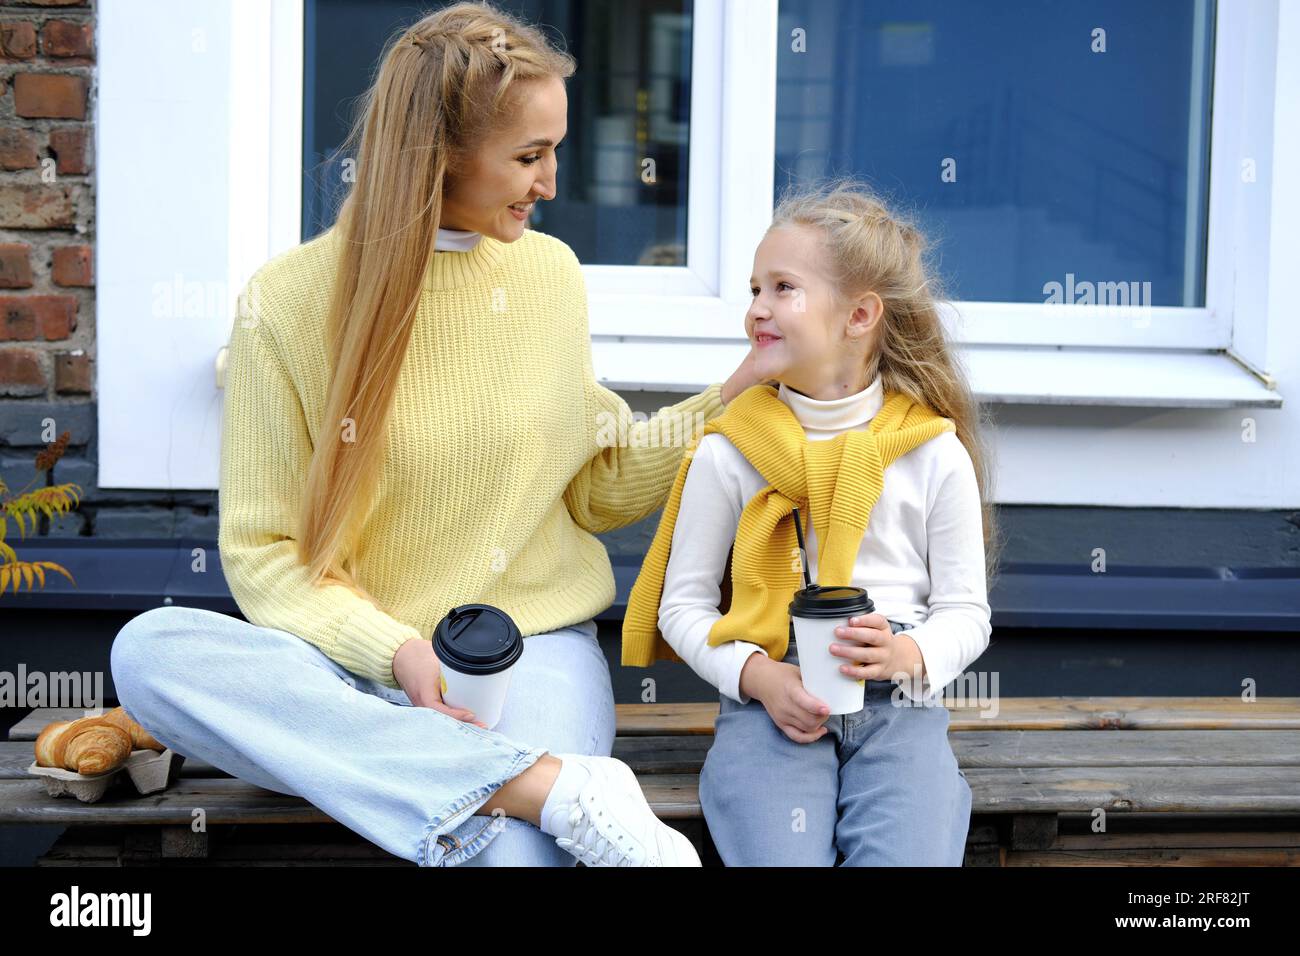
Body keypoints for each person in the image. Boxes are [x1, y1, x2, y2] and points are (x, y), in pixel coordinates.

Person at [109, 1, 762, 868]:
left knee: (515, 860)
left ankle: (442, 775)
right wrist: (399, 653)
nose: (551, 183)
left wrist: (734, 396)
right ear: (439, 158)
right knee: (148, 653)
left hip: (525, 652)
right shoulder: (289, 303)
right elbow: (266, 556)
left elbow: (594, 487)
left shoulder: (548, 277)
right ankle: (550, 789)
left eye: (554, 152)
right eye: (529, 157)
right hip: (346, 667)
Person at [622, 177, 1004, 865]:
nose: (757, 310)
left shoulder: (931, 451)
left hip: (898, 704)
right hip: (772, 698)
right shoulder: (729, 450)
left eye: (782, 289)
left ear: (860, 316)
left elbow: (966, 612)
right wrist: (760, 680)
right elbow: (683, 607)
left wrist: (909, 654)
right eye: (753, 289)